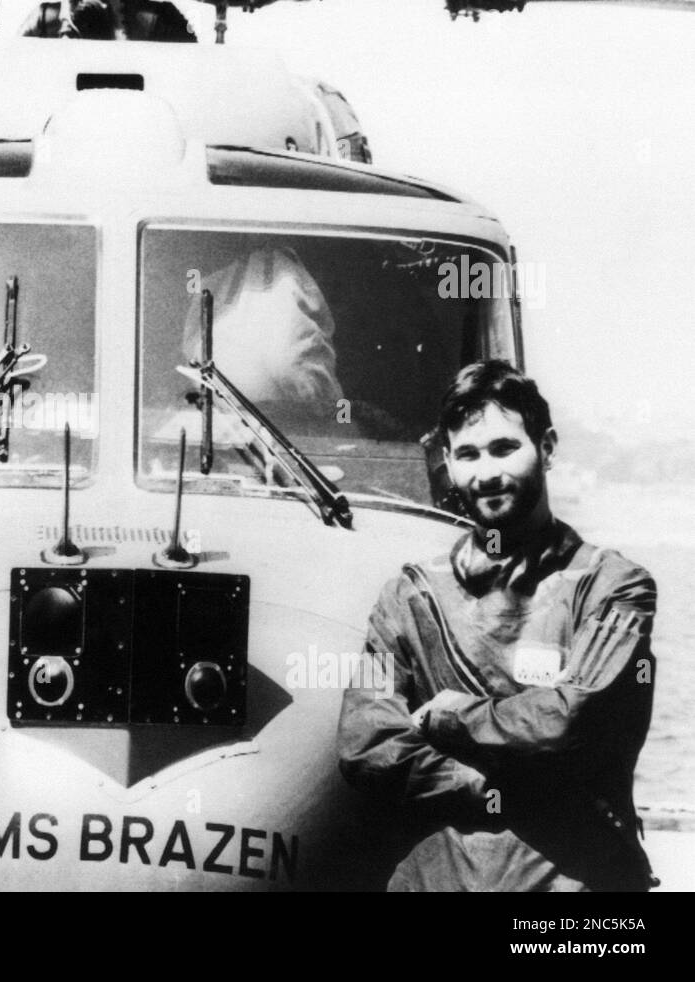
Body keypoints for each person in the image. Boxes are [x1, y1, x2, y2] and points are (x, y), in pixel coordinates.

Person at [337, 359, 656, 891]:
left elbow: (569, 719)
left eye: (504, 448)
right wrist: (492, 790)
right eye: (468, 454)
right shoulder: (409, 596)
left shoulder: (613, 586)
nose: (485, 473)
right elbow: (367, 744)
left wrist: (451, 718)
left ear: (546, 448)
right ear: (447, 461)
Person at [181, 243, 344, 405]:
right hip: (224, 415)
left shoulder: (286, 279)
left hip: (292, 415)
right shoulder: (210, 290)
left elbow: (294, 371)